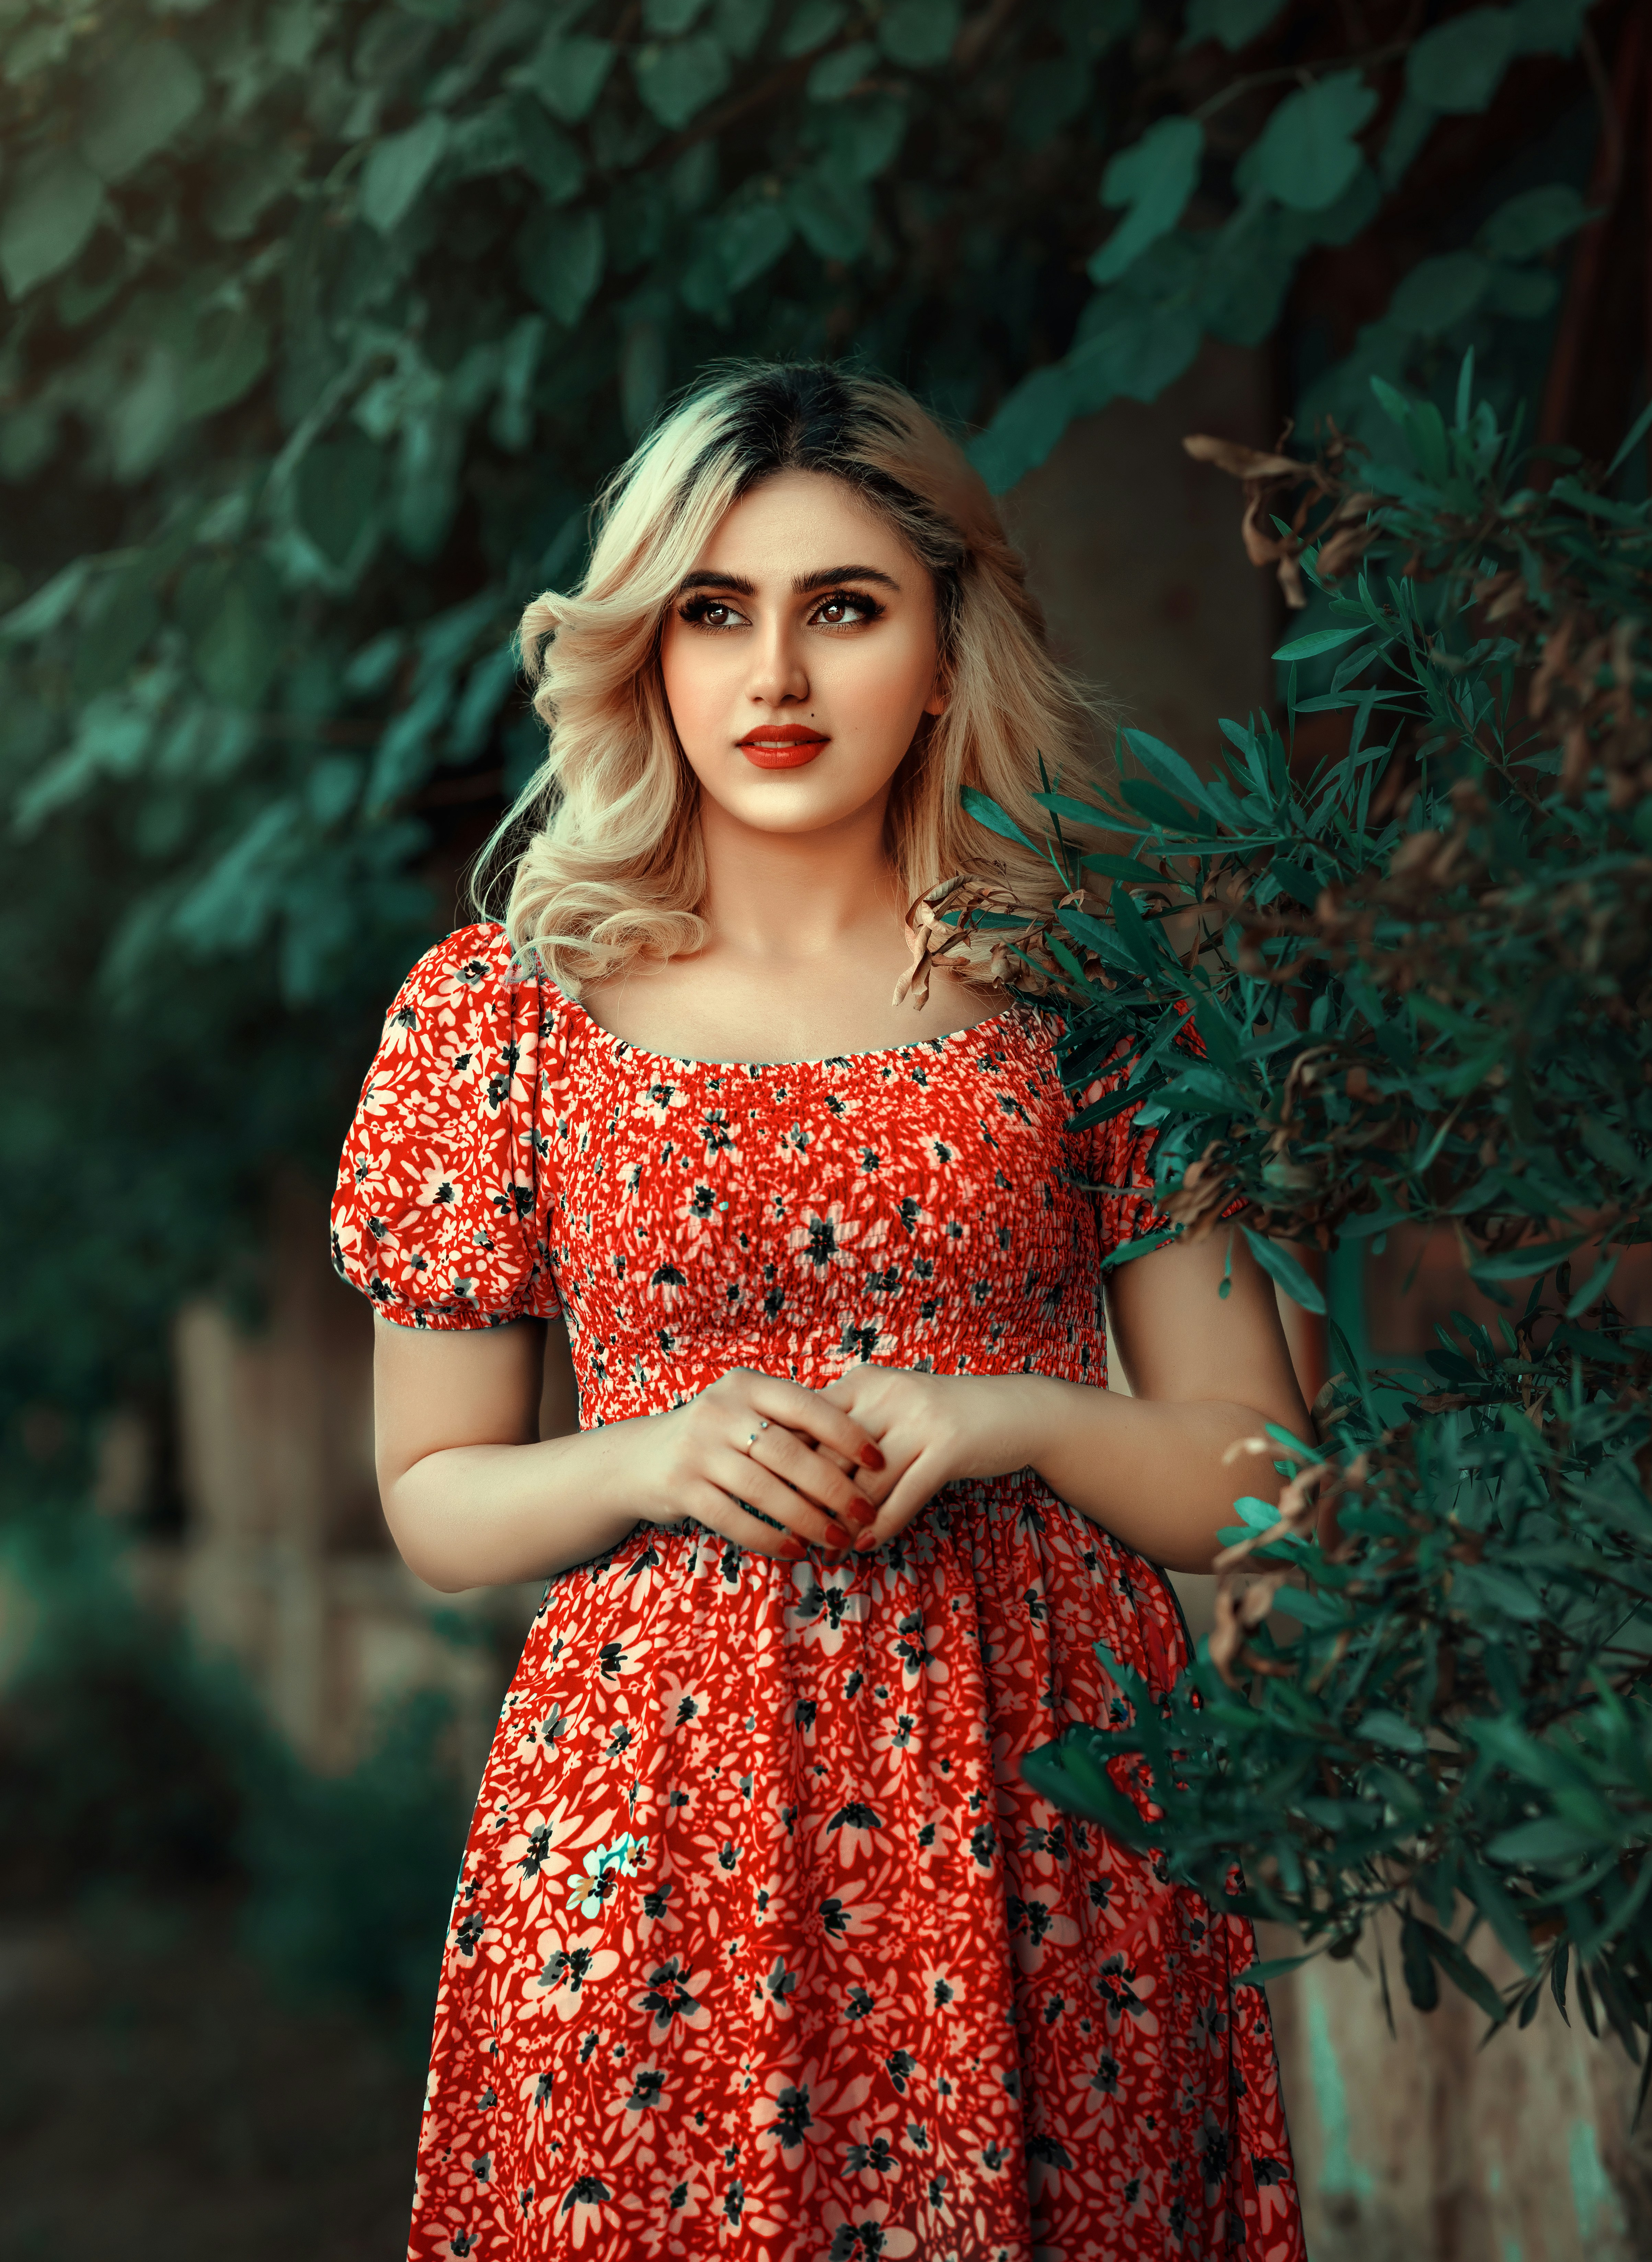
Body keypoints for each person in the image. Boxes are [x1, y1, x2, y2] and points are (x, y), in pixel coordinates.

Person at [331, 362, 1309, 2262]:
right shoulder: (498, 1013)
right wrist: (651, 1450)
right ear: (647, 655)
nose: (772, 676)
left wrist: (1013, 1412)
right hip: (646, 1831)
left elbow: (1255, 1472)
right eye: (714, 611)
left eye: (840, 608)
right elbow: (432, 1496)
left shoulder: (1087, 994)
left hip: (1049, 1829)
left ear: (942, 649)